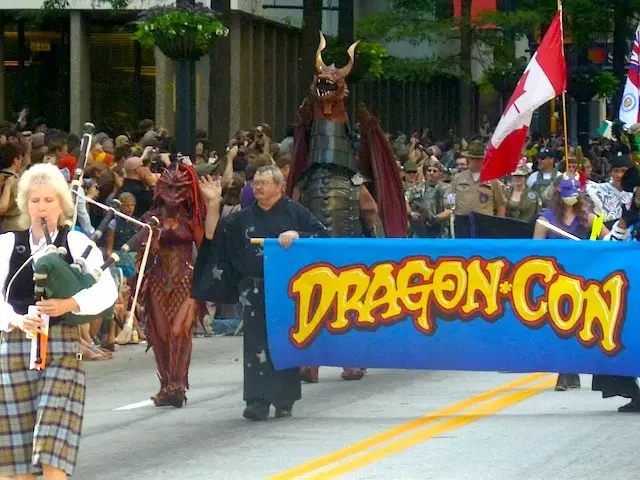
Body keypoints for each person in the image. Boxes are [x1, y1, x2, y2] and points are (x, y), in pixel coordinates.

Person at [0, 163, 118, 479]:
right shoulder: (8, 244)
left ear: (62, 204)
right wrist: (15, 319)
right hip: (14, 348)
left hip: (63, 347)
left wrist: (70, 302)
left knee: (54, 438)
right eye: (36, 200)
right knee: (16, 448)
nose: (42, 207)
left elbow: (107, 290)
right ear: (25, 204)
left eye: (49, 200)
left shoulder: (77, 244)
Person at [192, 165, 329, 421]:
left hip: (288, 288)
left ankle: (284, 399)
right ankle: (257, 401)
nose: (257, 187)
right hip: (252, 287)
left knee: (283, 339)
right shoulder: (243, 217)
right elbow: (213, 235)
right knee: (255, 340)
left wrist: (297, 234)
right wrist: (213, 204)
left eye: (263, 182)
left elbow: (322, 236)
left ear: (279, 186)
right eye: (255, 182)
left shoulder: (294, 211)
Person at [533, 172, 609, 392]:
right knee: (559, 325)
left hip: (582, 279)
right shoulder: (546, 219)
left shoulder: (589, 218)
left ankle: (571, 370)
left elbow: (608, 240)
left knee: (576, 325)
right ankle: (564, 372)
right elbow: (535, 251)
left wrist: (591, 248)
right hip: (554, 279)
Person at [592, 188, 640, 412]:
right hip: (628, 296)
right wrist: (623, 222)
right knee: (617, 341)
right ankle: (633, 394)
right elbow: (610, 248)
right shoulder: (628, 222)